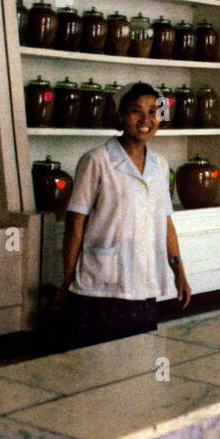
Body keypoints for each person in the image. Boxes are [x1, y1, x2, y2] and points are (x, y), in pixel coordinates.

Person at [49, 81, 193, 348]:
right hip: (100, 284)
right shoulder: (97, 160)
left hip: (143, 281)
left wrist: (179, 271)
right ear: (120, 114)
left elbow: (166, 222)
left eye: (153, 112)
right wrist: (67, 281)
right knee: (99, 360)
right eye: (136, 111)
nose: (145, 120)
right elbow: (75, 222)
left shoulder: (160, 166)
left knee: (141, 357)